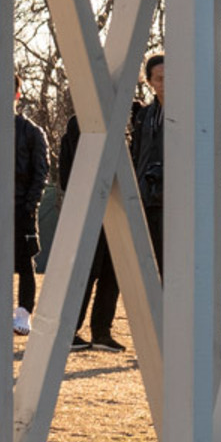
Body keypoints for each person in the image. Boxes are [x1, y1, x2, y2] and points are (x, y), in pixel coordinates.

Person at [73, 52, 167, 353]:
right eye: (160, 79)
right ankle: (94, 330)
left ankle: (158, 336)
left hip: (169, 203)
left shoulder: (186, 113)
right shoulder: (143, 116)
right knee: (113, 265)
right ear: (150, 83)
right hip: (138, 198)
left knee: (162, 271)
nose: (166, 84)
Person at [10, 78, 47, 336]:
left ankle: (24, 313)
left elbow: (40, 173)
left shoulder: (31, 131)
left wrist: (29, 206)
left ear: (17, 94)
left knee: (25, 262)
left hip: (21, 207)